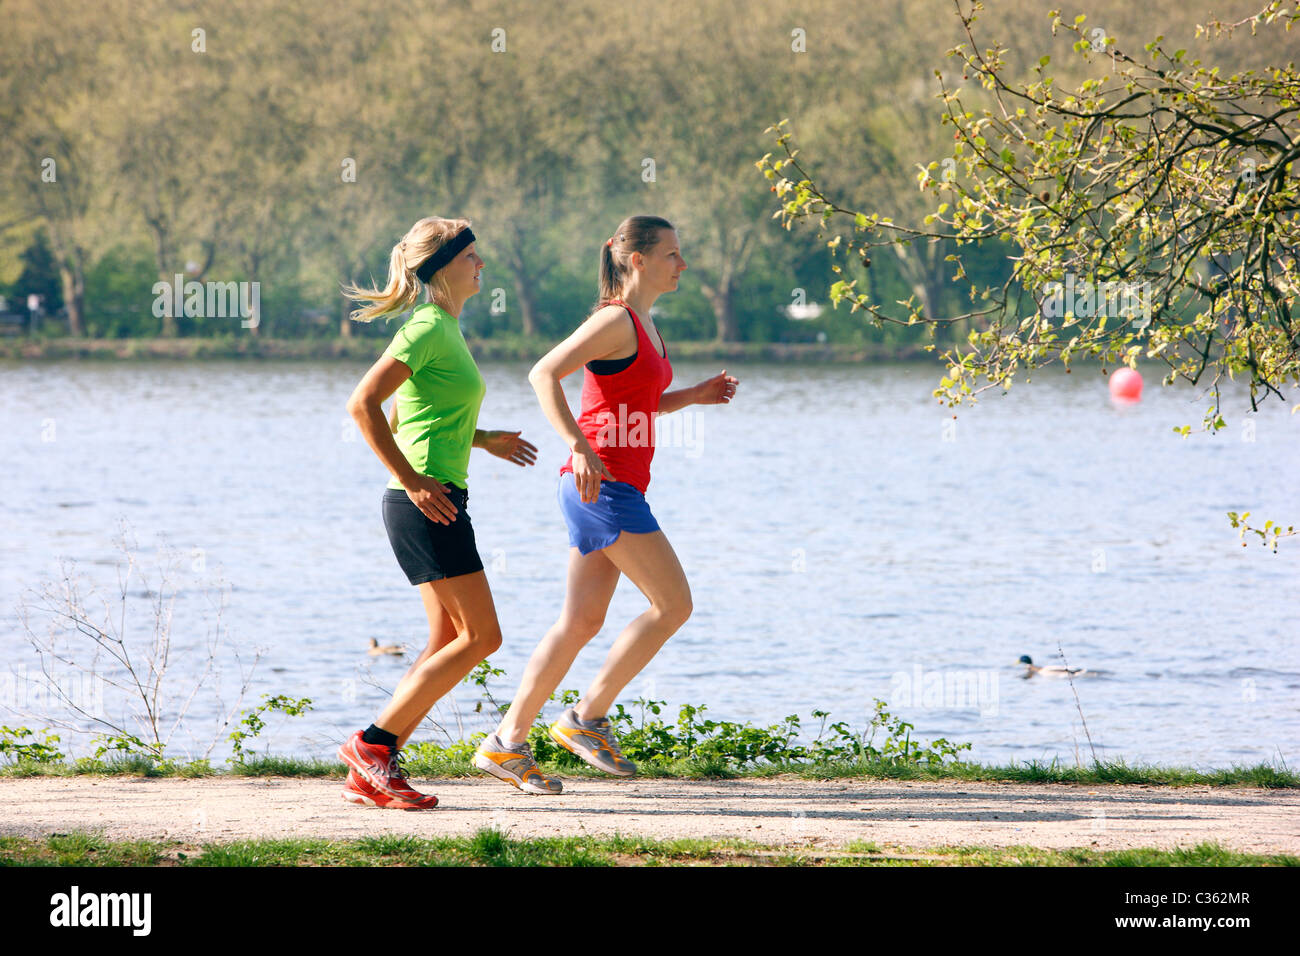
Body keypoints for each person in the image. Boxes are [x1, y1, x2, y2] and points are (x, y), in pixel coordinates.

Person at [473, 215, 739, 793]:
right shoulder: (615, 320)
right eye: (672, 253)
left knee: (580, 621)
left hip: (609, 487)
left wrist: (691, 397)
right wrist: (577, 445)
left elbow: (637, 402)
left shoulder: (645, 325)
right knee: (673, 604)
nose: (682, 264)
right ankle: (585, 718)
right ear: (637, 259)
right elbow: (543, 373)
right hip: (601, 487)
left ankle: (505, 743)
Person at [337, 216, 538, 808]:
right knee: (483, 636)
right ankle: (372, 747)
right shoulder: (427, 327)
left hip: (430, 498)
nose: (483, 265)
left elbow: (409, 417)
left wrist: (484, 439)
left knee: (448, 638)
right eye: (473, 255)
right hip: (427, 503)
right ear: (444, 265)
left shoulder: (443, 329)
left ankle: (375, 769)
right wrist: (412, 479)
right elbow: (364, 405)